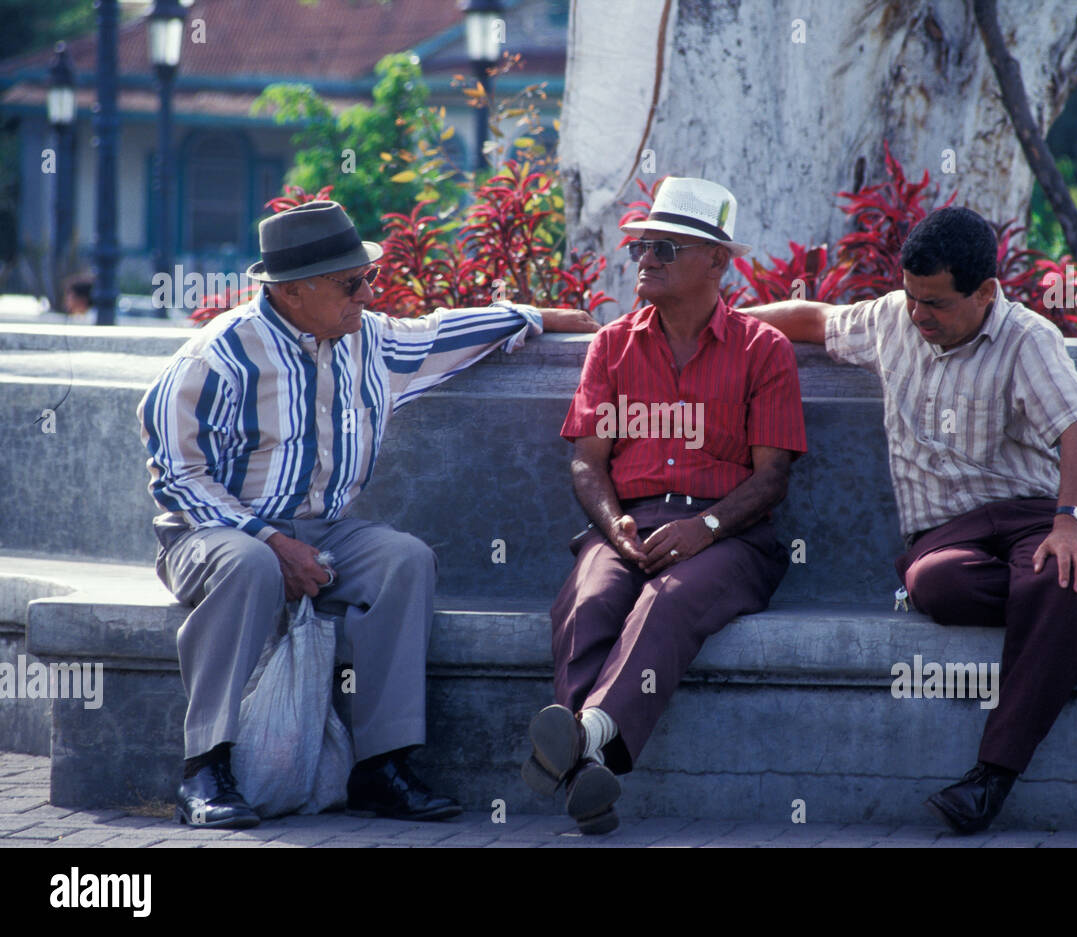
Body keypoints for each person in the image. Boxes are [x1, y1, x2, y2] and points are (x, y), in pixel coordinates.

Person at [743, 205, 1077, 835]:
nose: (918, 314)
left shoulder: (1028, 338)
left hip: (1030, 517)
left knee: (1054, 576)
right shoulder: (890, 320)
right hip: (943, 533)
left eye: (934, 303)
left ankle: (992, 775)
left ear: (985, 292)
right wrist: (717, 322)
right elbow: (813, 319)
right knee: (939, 586)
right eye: (912, 297)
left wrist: (1072, 524)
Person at [138, 200, 597, 829]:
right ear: (294, 292)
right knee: (250, 567)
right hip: (214, 533)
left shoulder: (370, 340)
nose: (368, 293)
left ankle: (382, 767)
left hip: (327, 532)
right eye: (352, 283)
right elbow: (178, 478)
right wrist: (272, 541)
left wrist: (535, 316)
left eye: (368, 277)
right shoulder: (215, 358)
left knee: (403, 561)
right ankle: (206, 768)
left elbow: (444, 333)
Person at [523, 177, 807, 834]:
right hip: (631, 524)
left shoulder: (764, 351)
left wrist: (704, 526)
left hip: (731, 537)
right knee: (588, 595)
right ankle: (595, 769)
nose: (644, 259)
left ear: (716, 261)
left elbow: (772, 480)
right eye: (640, 248)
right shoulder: (613, 344)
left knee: (666, 600)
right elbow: (586, 462)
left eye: (664, 248)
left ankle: (583, 737)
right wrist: (613, 522)